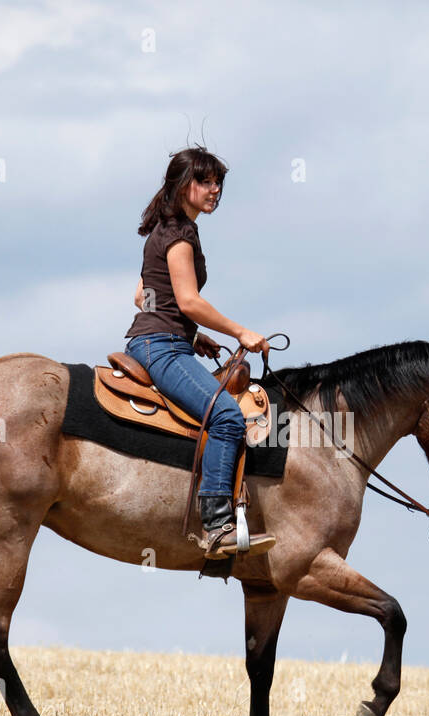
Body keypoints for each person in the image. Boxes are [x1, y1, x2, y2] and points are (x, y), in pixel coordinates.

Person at [124, 146, 274, 557]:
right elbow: (188, 302)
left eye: (218, 183)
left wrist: (190, 337)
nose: (214, 190)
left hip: (155, 342)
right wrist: (240, 331)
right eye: (204, 181)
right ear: (182, 184)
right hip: (161, 348)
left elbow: (142, 296)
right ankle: (218, 527)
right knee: (226, 417)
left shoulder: (165, 229)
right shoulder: (180, 235)